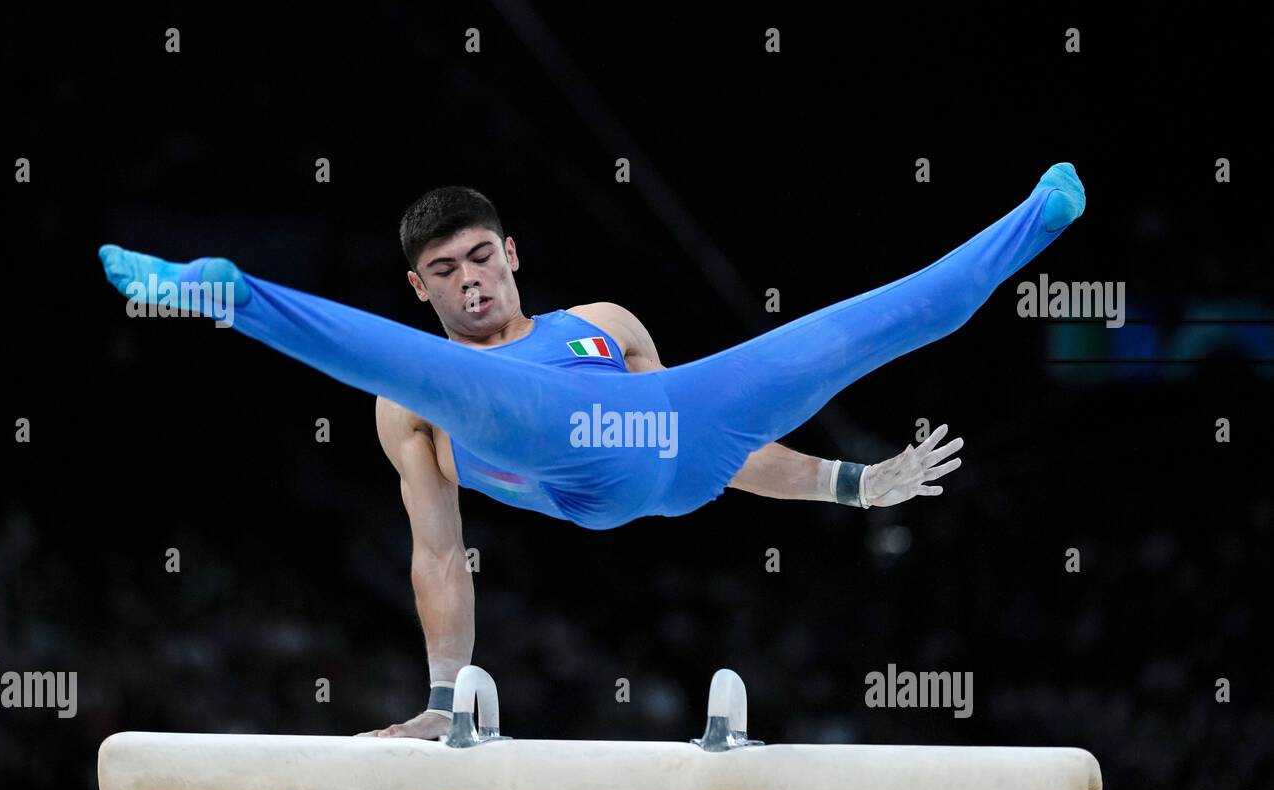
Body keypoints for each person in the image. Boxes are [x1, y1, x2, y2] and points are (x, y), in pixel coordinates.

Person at [97, 162, 1085, 737]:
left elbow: (711, 439)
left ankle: (1033, 220)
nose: (472, 281)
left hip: (671, 441)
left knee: (851, 330)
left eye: (482, 256)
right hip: (560, 459)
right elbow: (440, 551)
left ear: (512, 253)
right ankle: (225, 293)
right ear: (420, 289)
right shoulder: (415, 408)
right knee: (426, 379)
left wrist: (852, 484)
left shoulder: (605, 321)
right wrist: (444, 698)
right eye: (445, 271)